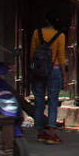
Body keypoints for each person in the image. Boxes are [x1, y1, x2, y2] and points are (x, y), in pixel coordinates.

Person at [30, 9, 67, 145]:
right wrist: (64, 76)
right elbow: (61, 58)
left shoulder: (36, 33)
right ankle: (51, 132)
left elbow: (33, 53)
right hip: (54, 69)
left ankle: (40, 132)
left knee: (38, 100)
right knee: (52, 101)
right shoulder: (60, 36)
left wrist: (33, 69)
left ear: (46, 20)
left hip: (39, 70)